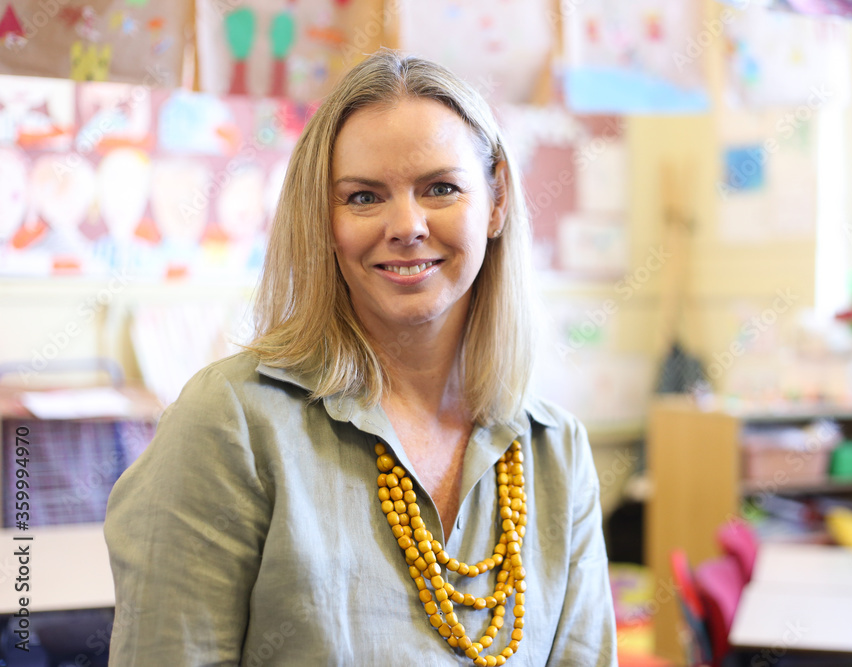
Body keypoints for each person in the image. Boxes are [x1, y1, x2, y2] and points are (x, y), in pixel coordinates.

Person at [104, 49, 617, 666]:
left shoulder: (555, 451)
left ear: (497, 198)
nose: (406, 226)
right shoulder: (229, 424)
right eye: (364, 197)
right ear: (323, 217)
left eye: (441, 188)